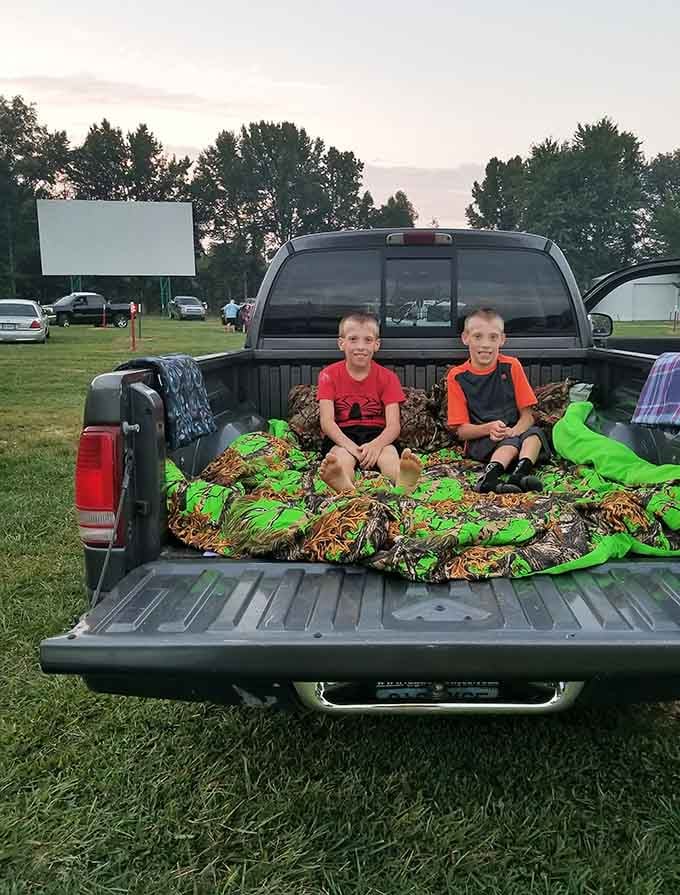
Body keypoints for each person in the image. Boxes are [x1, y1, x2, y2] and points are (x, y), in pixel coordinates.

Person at [317, 312, 422, 494]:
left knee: (389, 456)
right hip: (343, 436)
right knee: (340, 459)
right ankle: (343, 484)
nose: (360, 346)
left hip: (377, 436)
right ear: (341, 343)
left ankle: (403, 481)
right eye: (353, 339)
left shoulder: (388, 378)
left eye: (367, 340)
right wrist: (350, 447)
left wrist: (376, 445)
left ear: (376, 345)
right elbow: (327, 423)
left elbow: (393, 426)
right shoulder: (328, 375)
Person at [447, 307, 549, 493]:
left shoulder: (512, 366)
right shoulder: (457, 376)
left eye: (493, 337)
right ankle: (489, 479)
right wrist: (488, 428)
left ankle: (520, 475)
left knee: (534, 434)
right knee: (509, 444)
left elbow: (527, 416)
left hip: (514, 431)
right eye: (478, 337)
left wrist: (515, 430)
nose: (485, 344)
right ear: (465, 338)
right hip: (482, 439)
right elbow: (461, 431)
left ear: (502, 339)